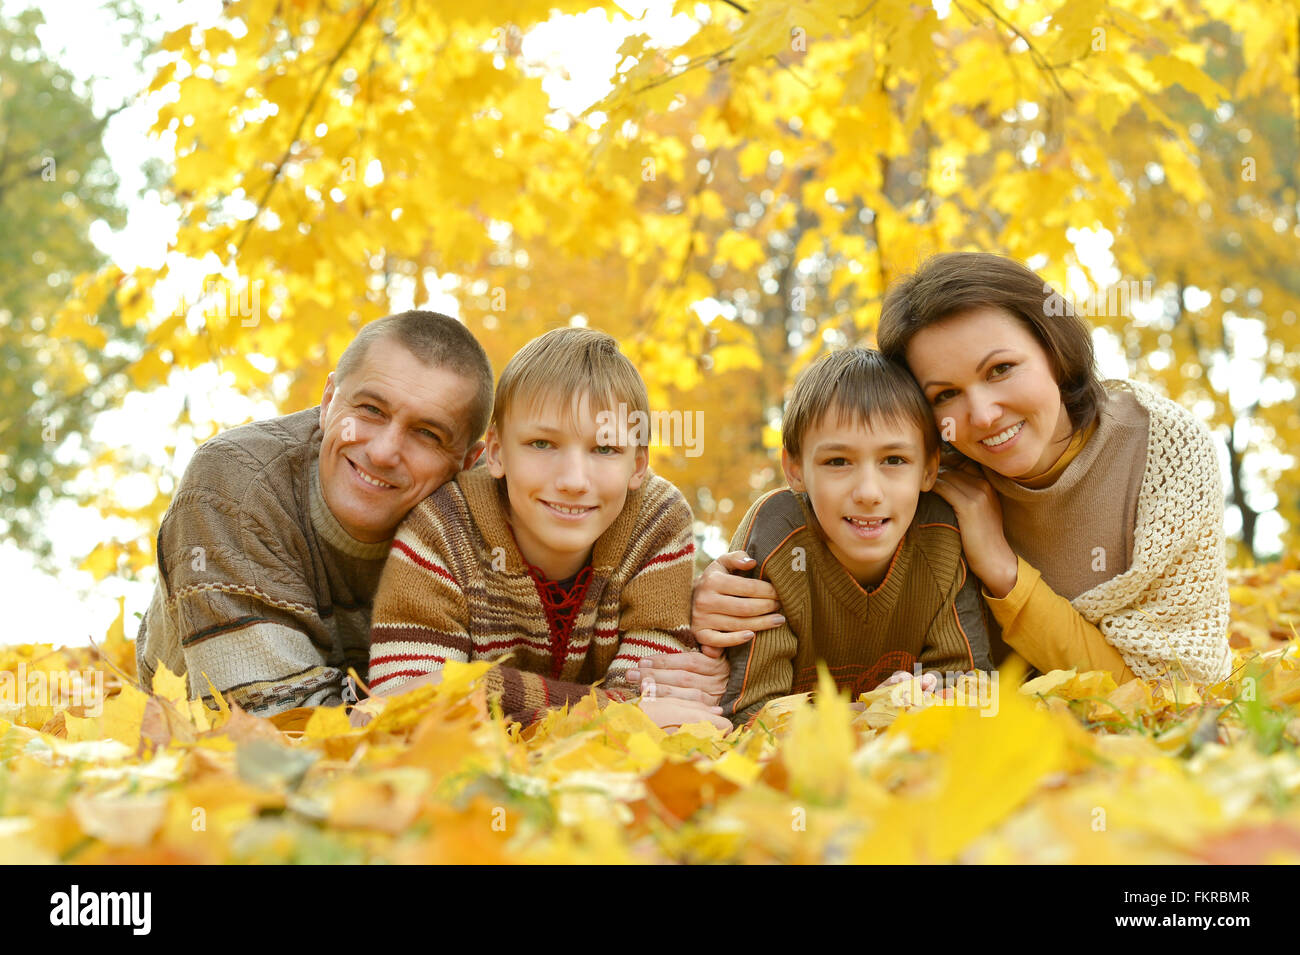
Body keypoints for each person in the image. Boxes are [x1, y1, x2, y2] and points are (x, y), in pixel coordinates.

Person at [692, 253, 1232, 686]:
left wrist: (1002, 568)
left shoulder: (1162, 451)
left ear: (1053, 348)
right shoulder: (929, 464)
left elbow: (1172, 690)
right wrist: (717, 590)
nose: (981, 415)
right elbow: (813, 509)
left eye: (1001, 369)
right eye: (945, 393)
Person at [365, 327, 732, 731]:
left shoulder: (656, 522)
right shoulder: (444, 527)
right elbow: (402, 709)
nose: (574, 480)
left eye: (605, 449)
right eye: (542, 443)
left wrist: (481, 687)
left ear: (638, 466)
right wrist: (609, 713)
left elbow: (661, 702)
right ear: (497, 452)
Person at [135, 310, 495, 715]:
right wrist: (474, 693)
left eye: (427, 434)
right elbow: (277, 725)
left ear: (468, 463)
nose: (382, 452)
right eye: (370, 409)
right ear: (327, 403)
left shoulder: (494, 512)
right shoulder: (233, 485)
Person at [718, 349, 992, 723]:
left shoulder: (939, 535)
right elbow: (749, 712)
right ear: (795, 469)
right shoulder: (777, 534)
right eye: (838, 462)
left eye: (894, 460)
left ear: (929, 468)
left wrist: (927, 694)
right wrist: (868, 713)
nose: (868, 492)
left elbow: (971, 683)